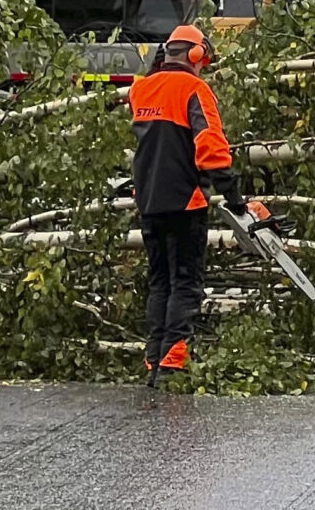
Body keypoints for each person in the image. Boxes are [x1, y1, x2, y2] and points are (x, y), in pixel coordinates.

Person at [128, 24, 267, 386]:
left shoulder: (141, 89)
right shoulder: (195, 88)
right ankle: (173, 365)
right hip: (185, 200)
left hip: (148, 201)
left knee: (160, 281)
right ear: (195, 55)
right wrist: (234, 198)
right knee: (186, 281)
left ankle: (153, 360)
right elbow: (211, 146)